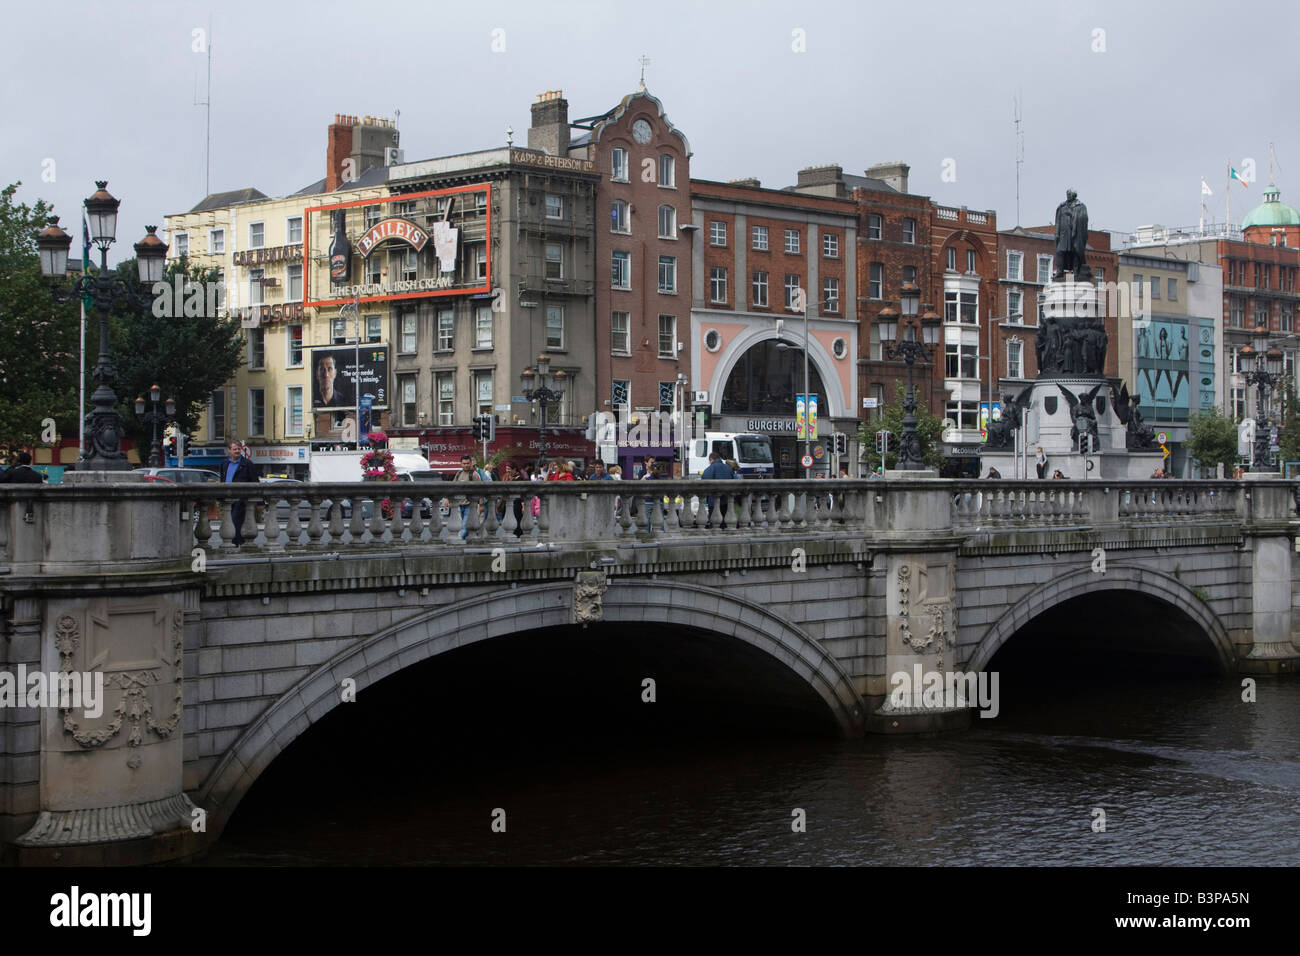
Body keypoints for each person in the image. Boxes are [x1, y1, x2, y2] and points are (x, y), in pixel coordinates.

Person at [222, 440, 259, 546]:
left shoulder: (247, 464)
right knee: (228, 521)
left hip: (241, 499)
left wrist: (259, 502)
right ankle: (235, 542)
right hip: (227, 498)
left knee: (235, 521)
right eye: (235, 449)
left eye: (239, 449)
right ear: (229, 451)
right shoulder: (224, 464)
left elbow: (255, 482)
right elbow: (222, 481)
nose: (237, 451)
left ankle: (236, 542)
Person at [441, 454, 481, 540]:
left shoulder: (474, 475)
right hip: (459, 504)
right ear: (461, 464)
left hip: (470, 505)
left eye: (467, 463)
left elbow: (480, 490)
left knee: (465, 525)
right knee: (460, 525)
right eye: (464, 463)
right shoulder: (458, 474)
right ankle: (463, 542)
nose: (466, 465)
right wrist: (448, 499)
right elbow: (453, 487)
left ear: (471, 463)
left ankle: (459, 540)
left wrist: (480, 505)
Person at [701, 452, 736, 524]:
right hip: (726, 500)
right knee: (725, 523)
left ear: (711, 459)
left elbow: (704, 481)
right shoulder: (728, 469)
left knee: (714, 524)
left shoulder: (710, 469)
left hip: (713, 501)